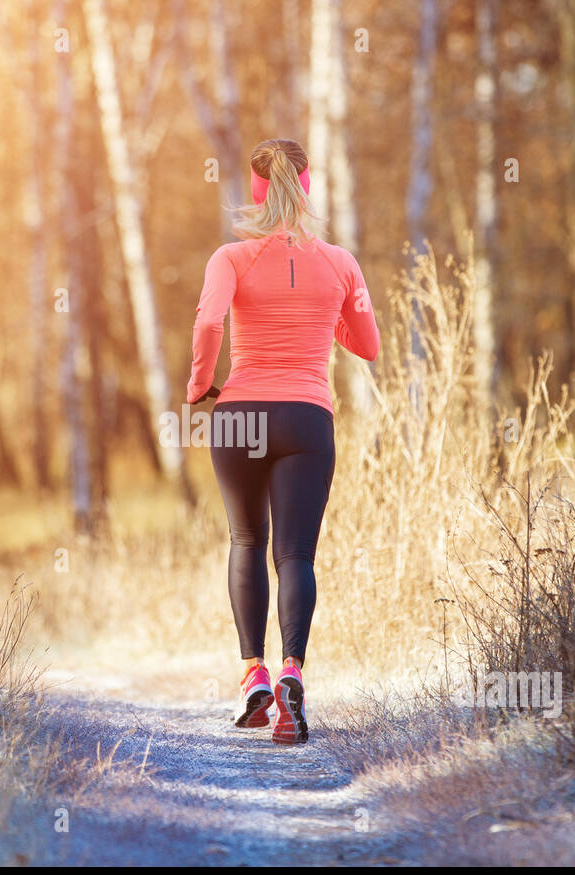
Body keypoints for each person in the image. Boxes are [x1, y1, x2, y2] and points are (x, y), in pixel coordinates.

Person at [186, 138, 380, 745]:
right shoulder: (340, 263)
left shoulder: (230, 258)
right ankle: (294, 671)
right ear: (308, 186)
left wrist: (199, 383)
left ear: (257, 189)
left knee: (246, 539)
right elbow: (367, 345)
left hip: (239, 413)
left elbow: (210, 322)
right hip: (306, 416)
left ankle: (254, 677)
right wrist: (323, 315)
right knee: (294, 554)